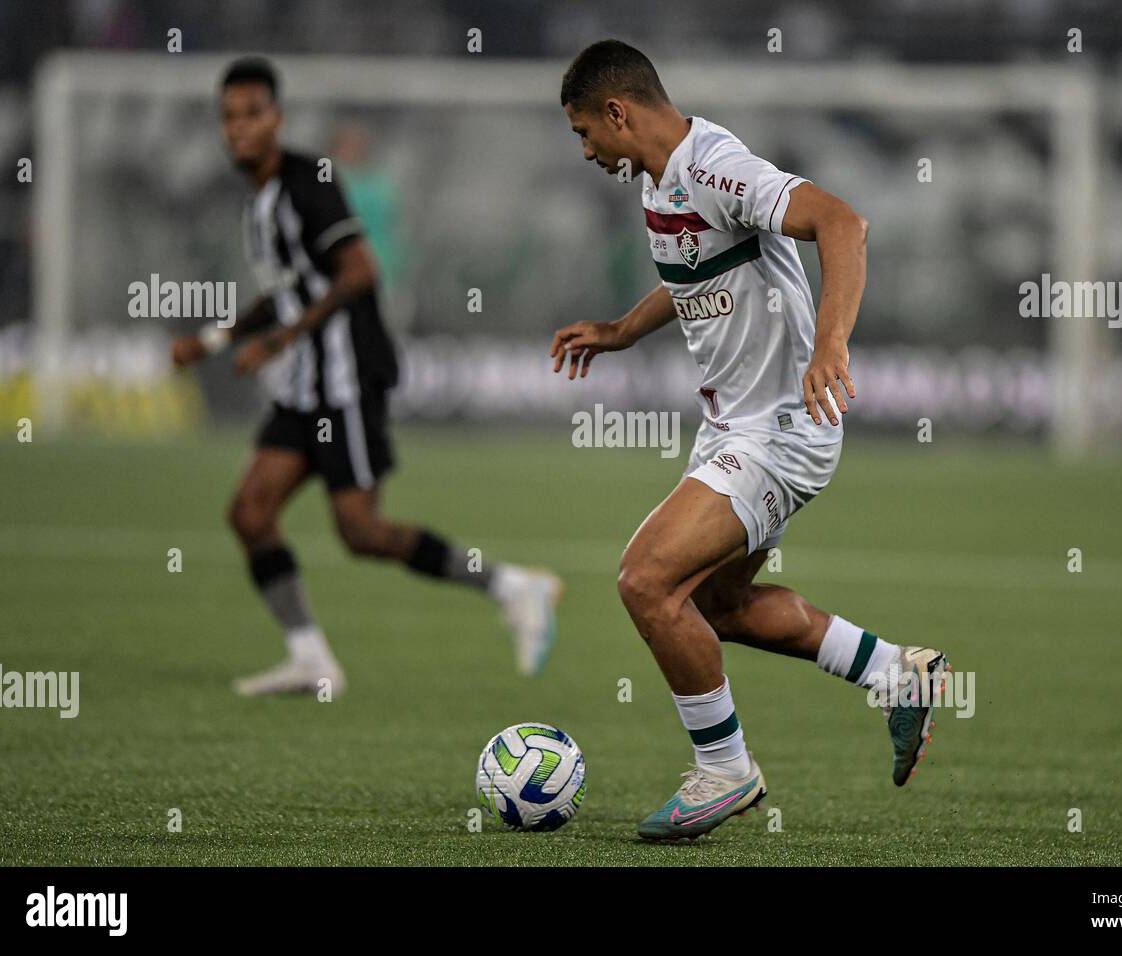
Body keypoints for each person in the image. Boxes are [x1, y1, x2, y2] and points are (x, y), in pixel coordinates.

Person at [550, 40, 948, 840]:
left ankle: (725, 770)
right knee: (715, 606)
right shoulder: (663, 183)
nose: (587, 151)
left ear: (618, 113)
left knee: (644, 581)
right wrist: (624, 330)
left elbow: (841, 222)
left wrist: (831, 342)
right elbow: (692, 271)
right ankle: (893, 674)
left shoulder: (715, 165)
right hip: (737, 426)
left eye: (585, 132)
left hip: (779, 430)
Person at [172, 57, 561, 697]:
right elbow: (290, 290)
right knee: (249, 513)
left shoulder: (308, 185)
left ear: (277, 119)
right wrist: (214, 338)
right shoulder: (262, 201)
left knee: (362, 531)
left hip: (345, 381)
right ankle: (311, 659)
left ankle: (514, 586)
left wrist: (281, 340)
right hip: (305, 385)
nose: (239, 129)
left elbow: (360, 270)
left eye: (252, 114)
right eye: (229, 117)